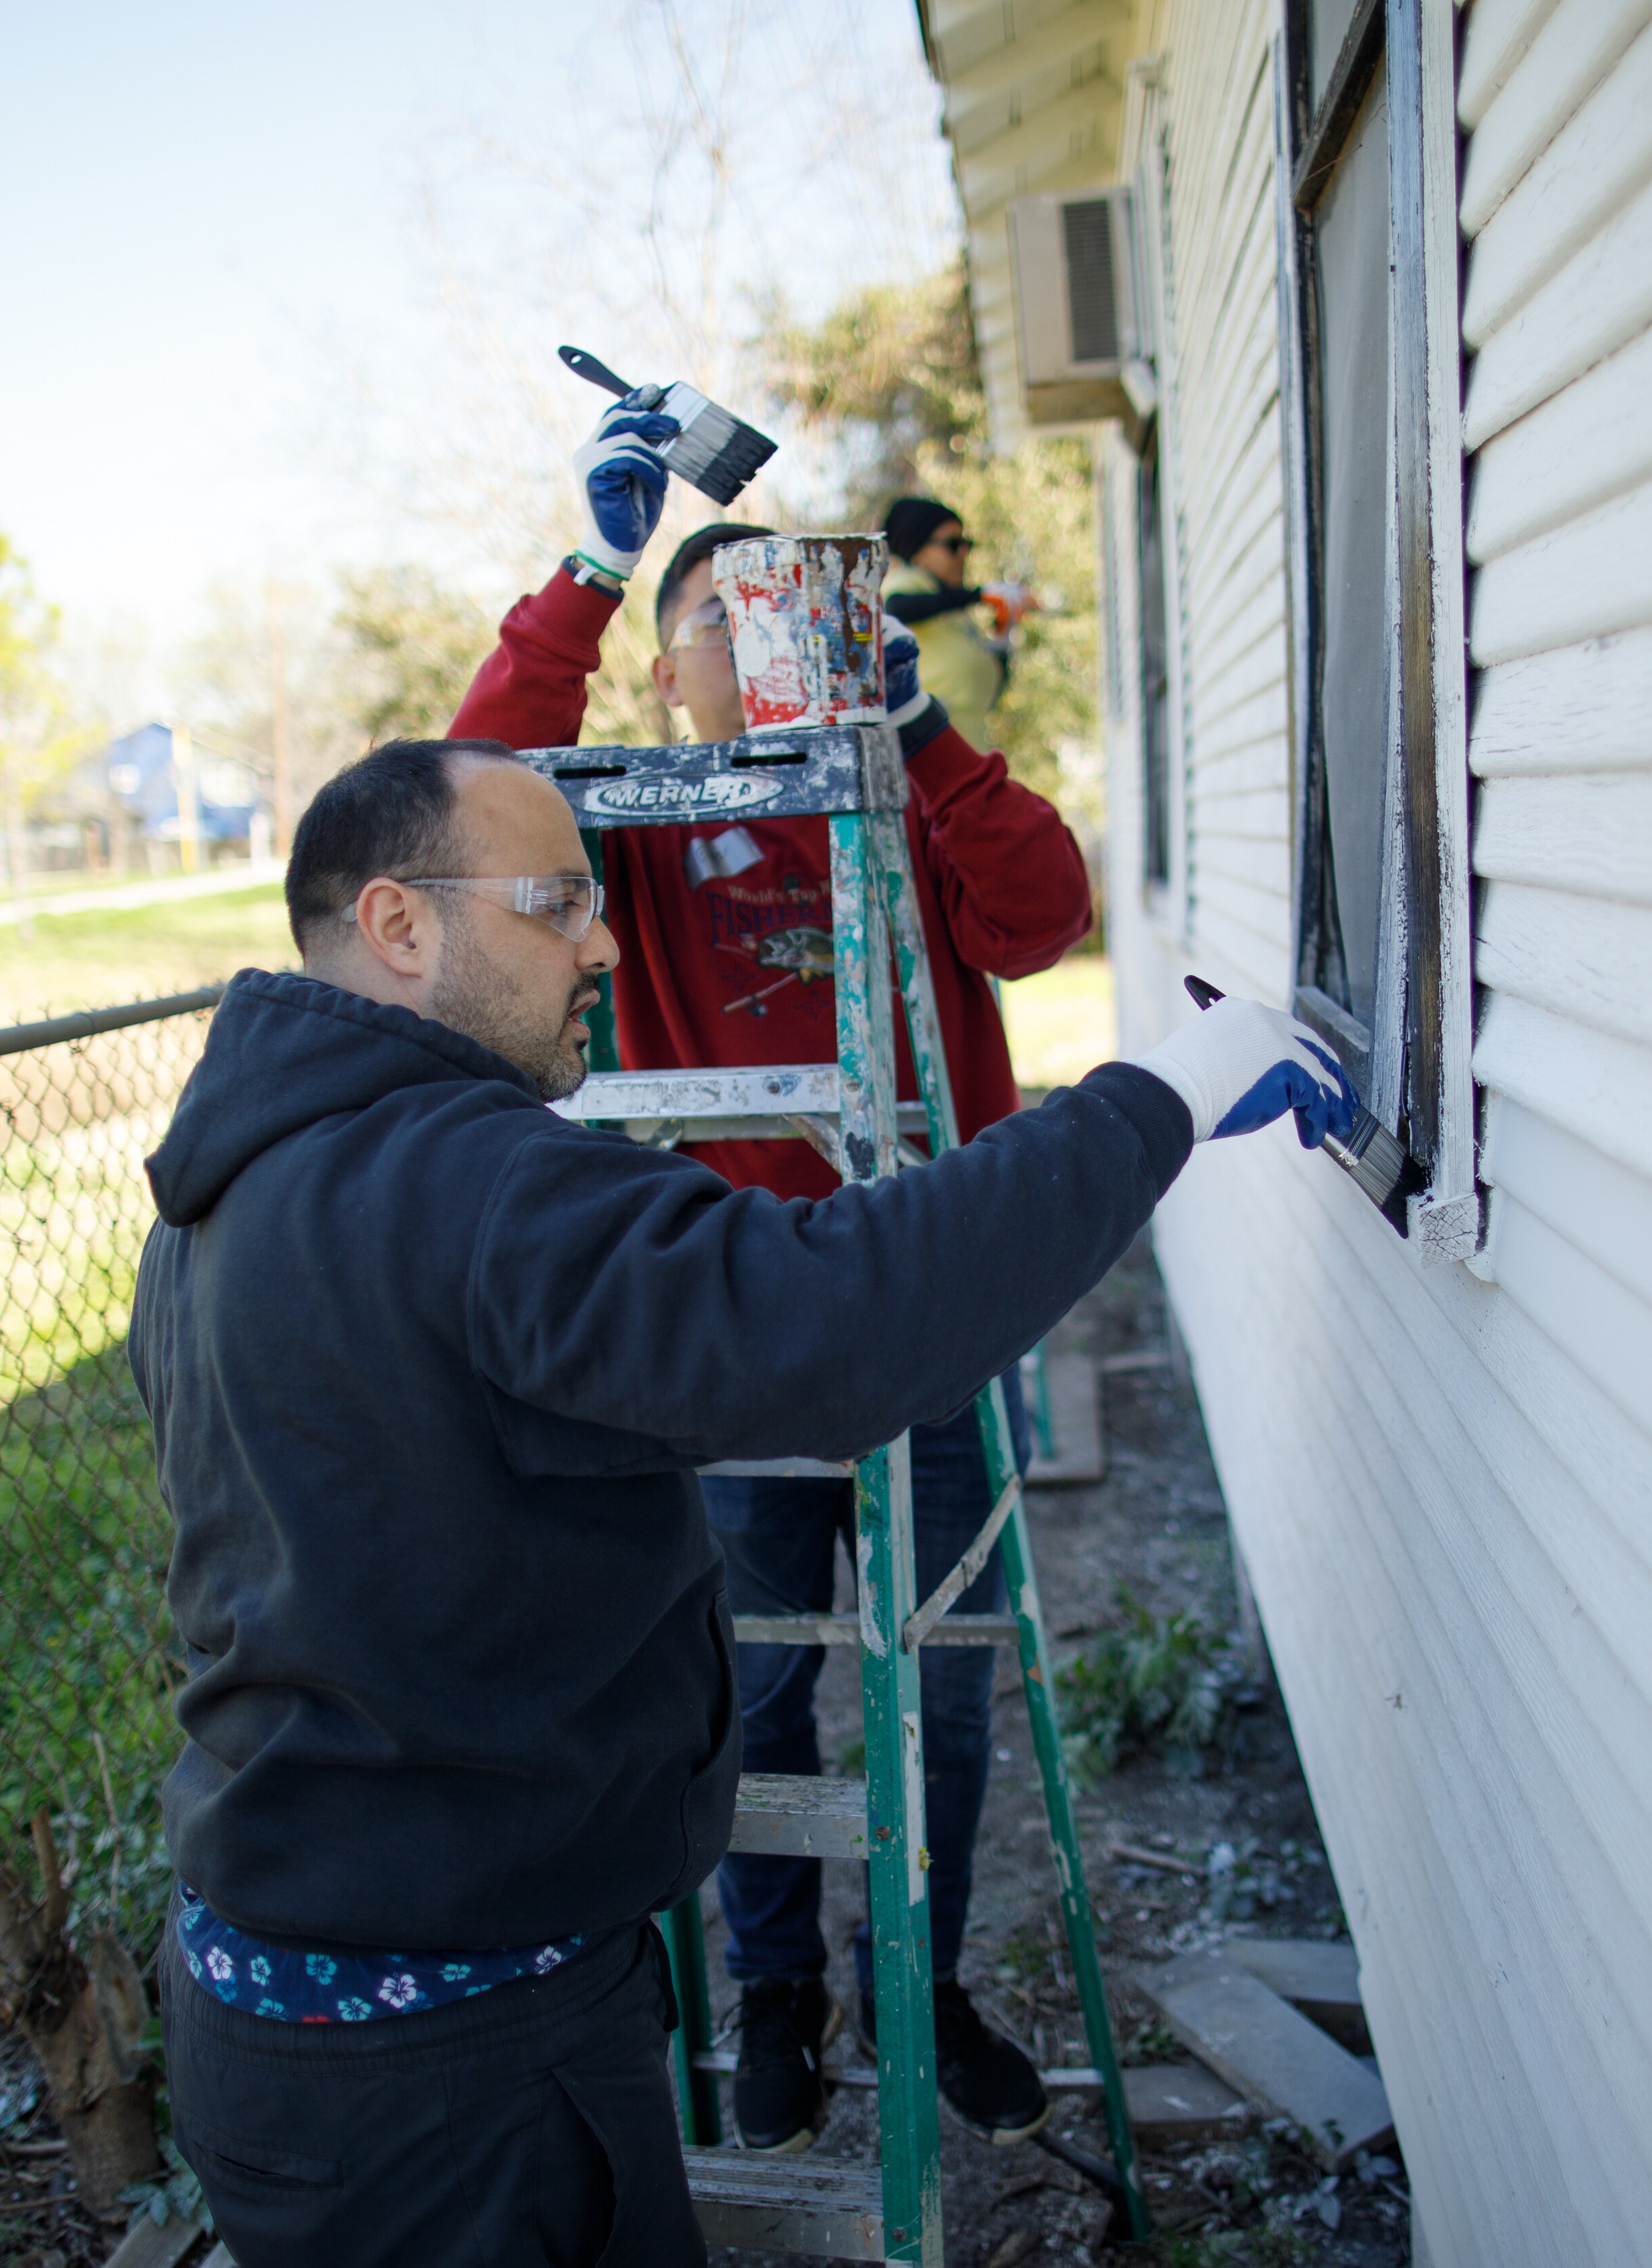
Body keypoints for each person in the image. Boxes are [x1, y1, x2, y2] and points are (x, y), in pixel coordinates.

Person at [135, 717, 1356, 2265]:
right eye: (560, 906)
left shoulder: (225, 1196)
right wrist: (1161, 1096)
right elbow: (841, 1316)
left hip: (297, 2009)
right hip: (452, 2065)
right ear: (396, 925)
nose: (603, 946)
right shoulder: (480, 1184)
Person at [447, 412, 1090, 2156]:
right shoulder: (634, 838)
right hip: (738, 1314)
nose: (773, 637)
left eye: (803, 610)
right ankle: (776, 2000)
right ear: (669, 678)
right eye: (731, 616)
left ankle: (925, 1980)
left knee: (942, 1674)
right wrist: (589, 570)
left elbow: (1043, 922)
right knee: (748, 1684)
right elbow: (470, 789)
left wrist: (922, 720)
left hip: (929, 1292)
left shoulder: (899, 793)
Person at [878, 494, 1028, 749]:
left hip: (969, 754)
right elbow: (897, 607)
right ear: (918, 551)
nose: (963, 553)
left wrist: (1002, 641)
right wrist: (979, 594)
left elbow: (987, 691)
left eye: (966, 544)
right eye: (953, 544)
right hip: (929, 762)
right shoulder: (905, 582)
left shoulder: (953, 614)